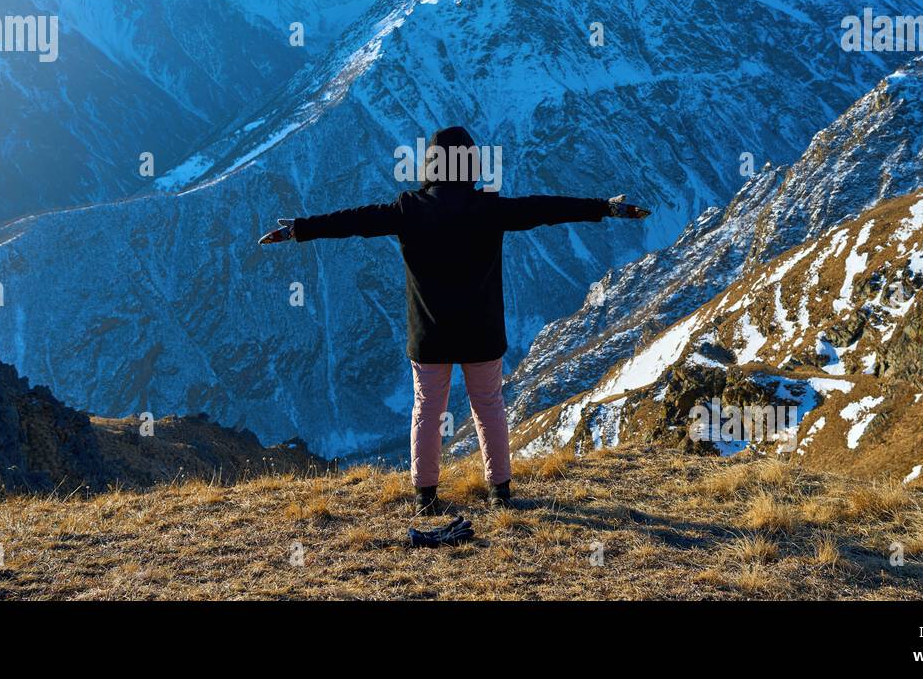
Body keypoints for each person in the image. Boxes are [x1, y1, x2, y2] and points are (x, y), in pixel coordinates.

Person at [258, 126, 650, 514]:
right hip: (481, 333)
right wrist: (605, 207)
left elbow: (355, 222)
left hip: (431, 336)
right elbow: (546, 209)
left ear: (430, 165)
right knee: (489, 406)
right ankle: (500, 490)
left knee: (427, 410)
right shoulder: (490, 209)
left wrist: (300, 229)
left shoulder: (408, 209)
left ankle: (425, 496)